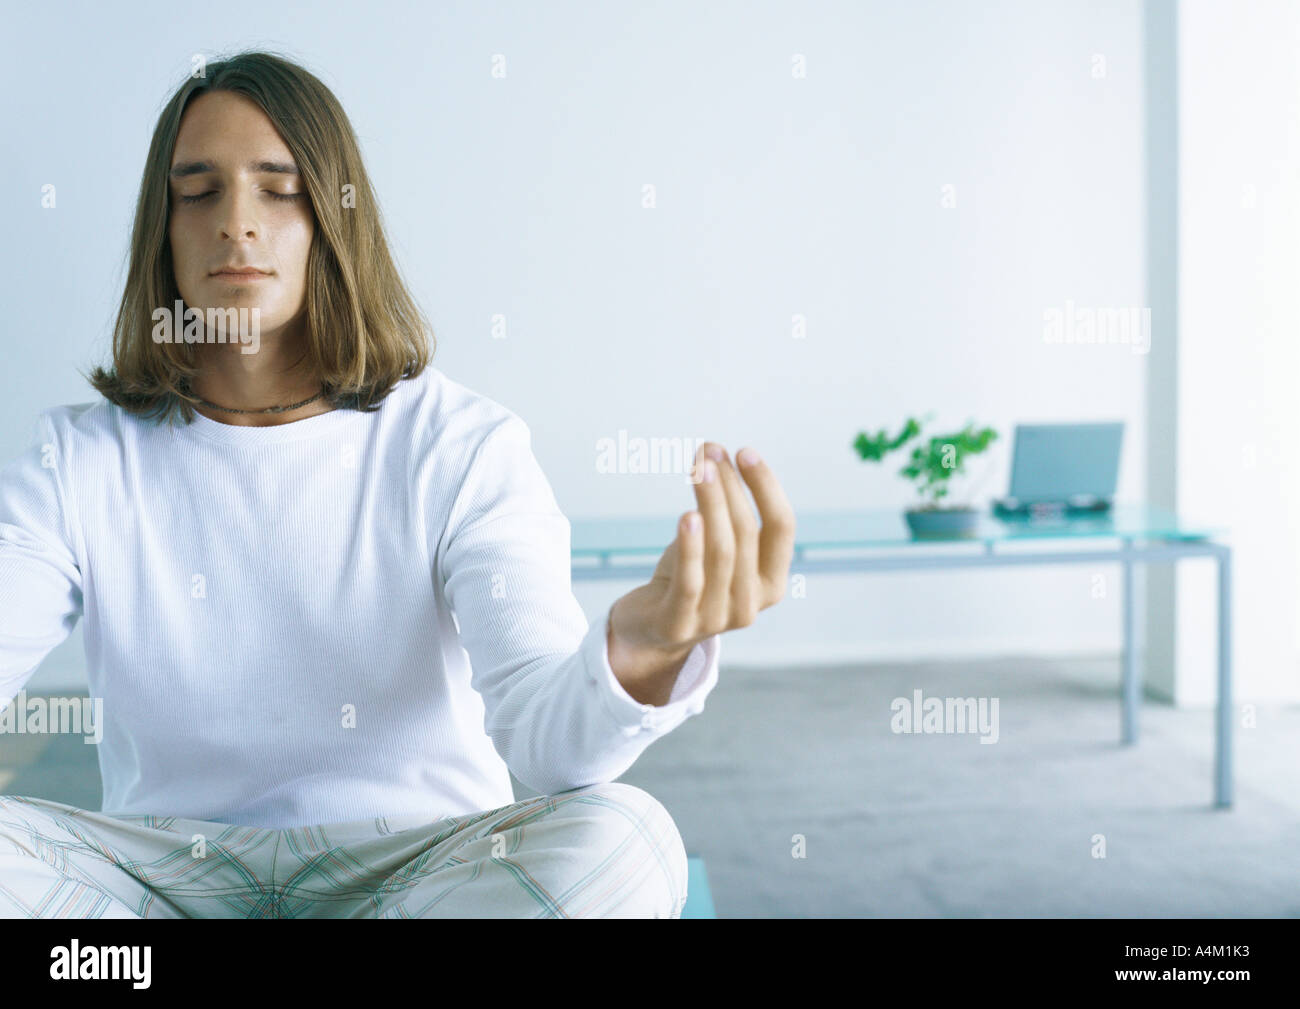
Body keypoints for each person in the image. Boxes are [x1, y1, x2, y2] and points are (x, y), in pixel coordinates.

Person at [0, 51, 795, 919]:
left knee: (628, 839)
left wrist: (641, 650)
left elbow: (546, 744)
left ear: (337, 220)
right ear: (163, 229)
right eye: (198, 193)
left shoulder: (461, 444)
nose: (237, 223)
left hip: (412, 878)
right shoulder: (76, 459)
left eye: (281, 188)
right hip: (164, 883)